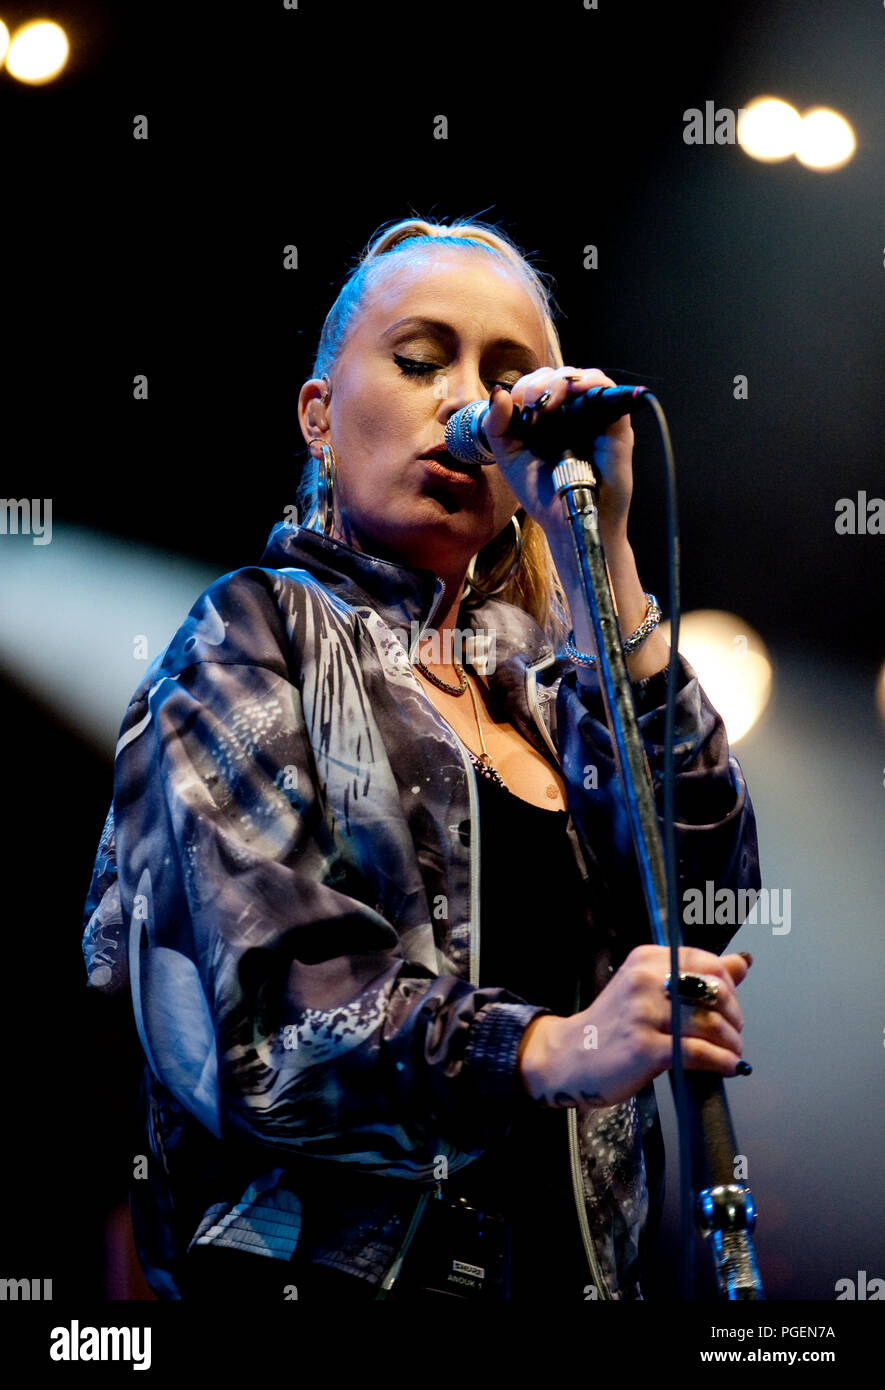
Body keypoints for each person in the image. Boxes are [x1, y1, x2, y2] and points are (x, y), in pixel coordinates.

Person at [81, 215, 760, 1303]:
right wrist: (549, 1048)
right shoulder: (252, 640)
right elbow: (271, 1017)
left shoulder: (544, 692)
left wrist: (607, 556)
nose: (466, 402)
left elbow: (711, 905)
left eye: (506, 375)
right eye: (418, 359)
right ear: (318, 416)